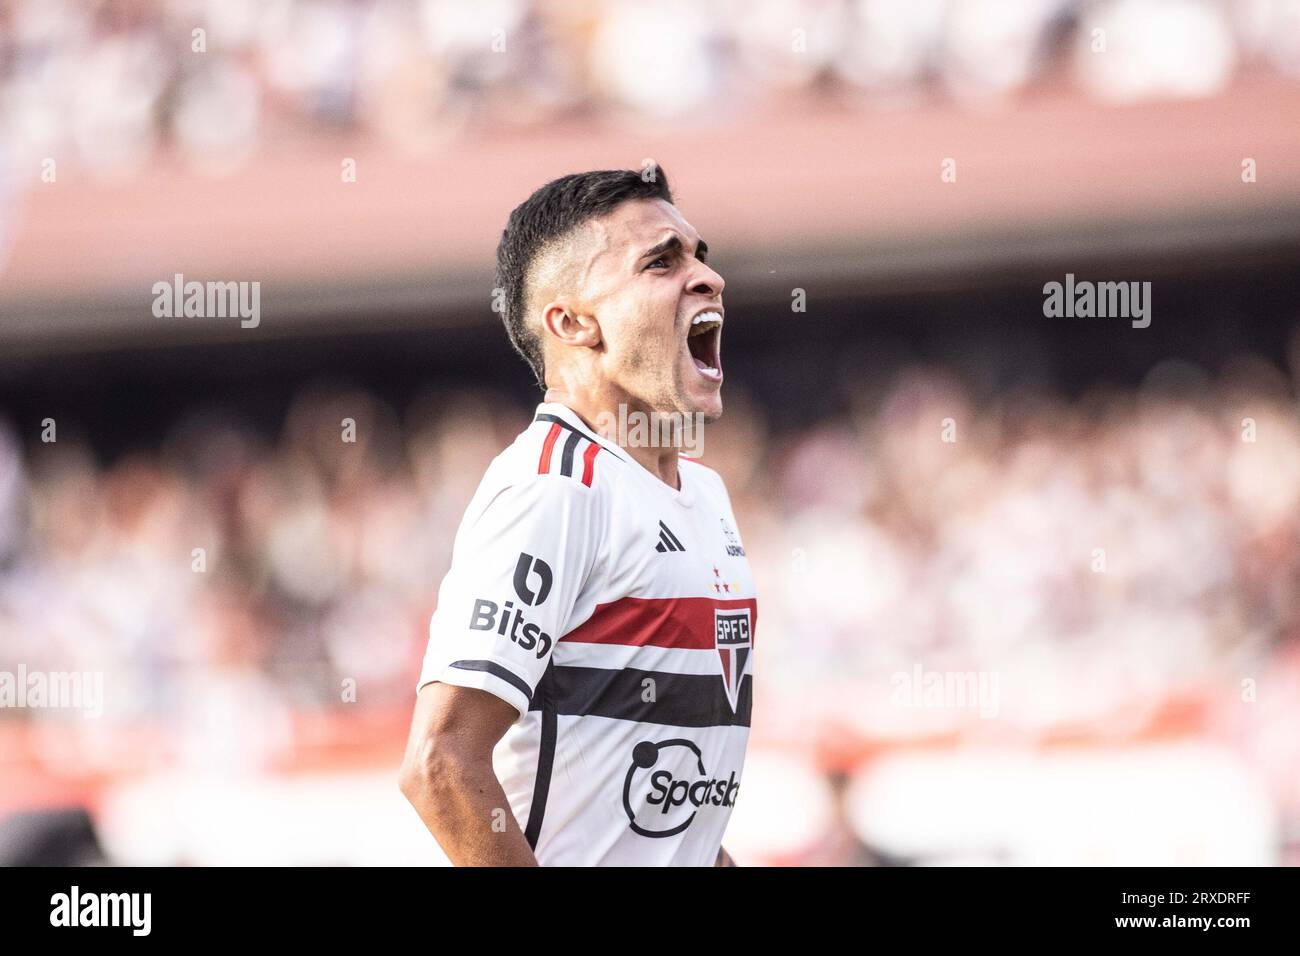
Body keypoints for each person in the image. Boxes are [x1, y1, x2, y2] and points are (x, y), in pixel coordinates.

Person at [399, 168, 754, 865]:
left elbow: (675, 820)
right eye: (662, 261)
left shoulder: (704, 496)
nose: (707, 278)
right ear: (573, 322)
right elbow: (440, 765)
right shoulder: (555, 488)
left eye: (699, 255)